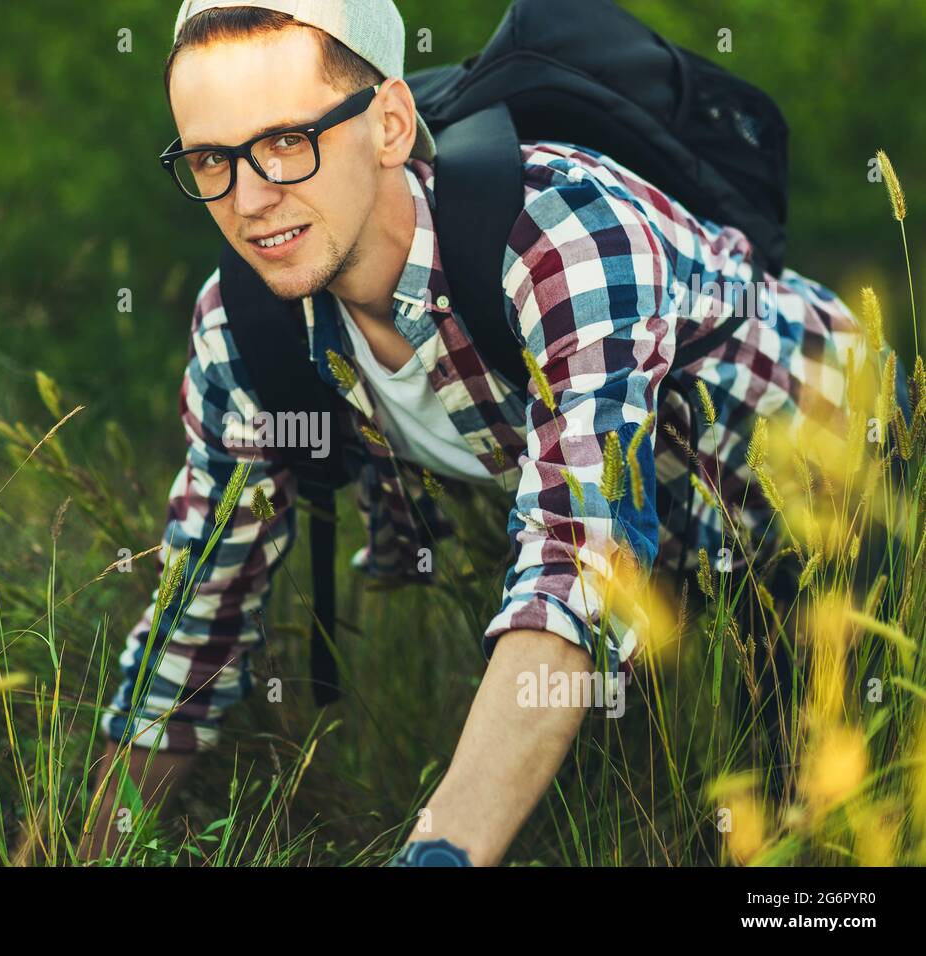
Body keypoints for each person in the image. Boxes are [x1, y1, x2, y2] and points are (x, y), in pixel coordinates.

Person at [80, 0, 863, 866]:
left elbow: (579, 567)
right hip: (694, 584)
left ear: (387, 124)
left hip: (870, 512)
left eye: (286, 143)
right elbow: (198, 614)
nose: (251, 198)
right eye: (209, 160)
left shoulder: (562, 234)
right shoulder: (246, 331)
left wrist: (438, 853)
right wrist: (76, 852)